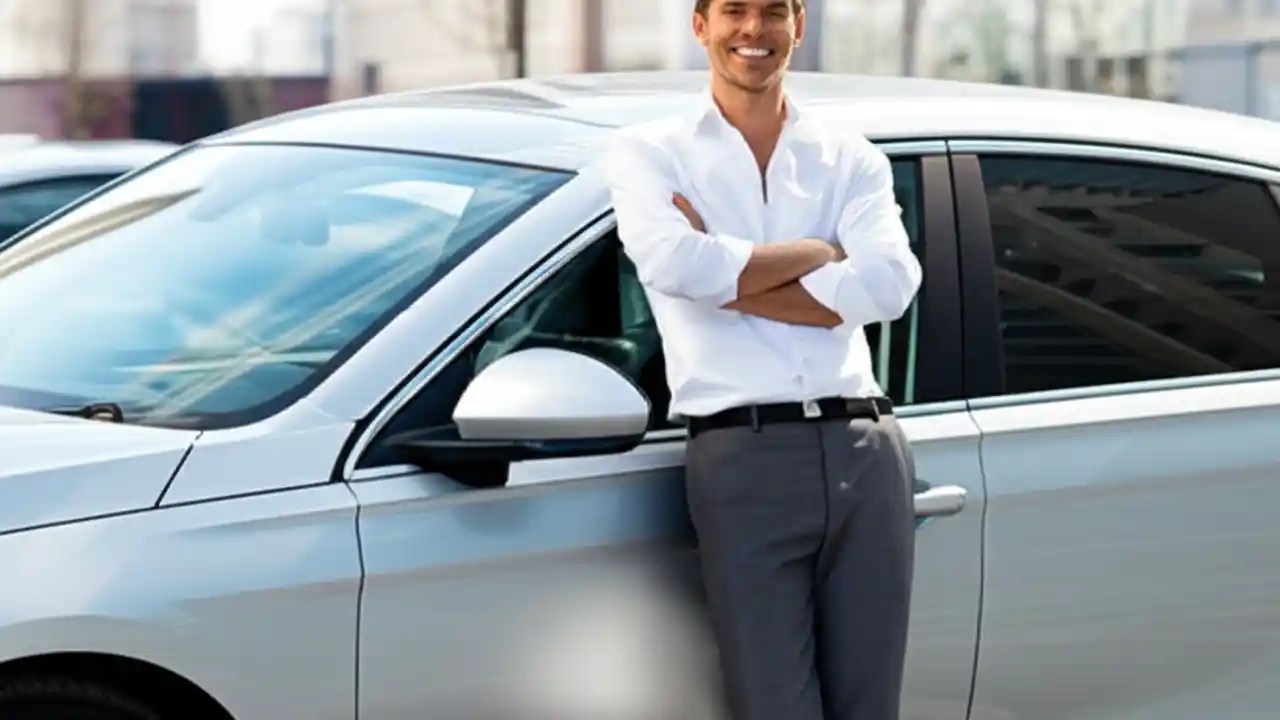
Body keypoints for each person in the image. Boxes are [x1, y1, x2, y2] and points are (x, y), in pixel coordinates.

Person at [597, 0, 923, 718]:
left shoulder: (850, 156)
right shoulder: (651, 151)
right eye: (733, 11)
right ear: (700, 24)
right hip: (743, 457)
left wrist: (726, 276)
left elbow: (892, 286)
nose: (754, 30)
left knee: (871, 708)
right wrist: (819, 254)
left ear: (798, 24)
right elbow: (673, 261)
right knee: (773, 705)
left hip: (866, 449)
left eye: (773, 11)